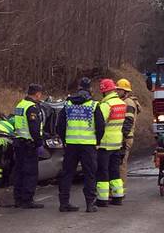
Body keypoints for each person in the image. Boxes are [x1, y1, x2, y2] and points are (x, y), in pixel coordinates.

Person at [57, 77, 101, 213]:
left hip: (71, 144)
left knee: (67, 173)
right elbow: (100, 126)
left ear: (79, 88)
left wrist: (65, 139)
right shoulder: (93, 105)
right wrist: (97, 141)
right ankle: (90, 204)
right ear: (90, 89)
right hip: (88, 145)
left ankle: (64, 203)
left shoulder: (68, 104)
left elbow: (60, 125)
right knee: (90, 174)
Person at [11, 84, 47, 209]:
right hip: (29, 145)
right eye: (40, 94)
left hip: (19, 143)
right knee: (30, 173)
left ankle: (18, 199)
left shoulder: (20, 104)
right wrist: (39, 143)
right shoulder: (32, 108)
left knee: (19, 171)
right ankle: (27, 200)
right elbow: (34, 128)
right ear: (37, 94)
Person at [96, 79, 127, 207]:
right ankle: (117, 197)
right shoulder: (121, 103)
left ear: (104, 91)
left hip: (105, 143)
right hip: (117, 142)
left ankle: (102, 200)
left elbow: (99, 123)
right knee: (115, 171)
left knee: (103, 171)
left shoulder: (106, 105)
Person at [116, 78, 141, 185]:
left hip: (125, 138)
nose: (117, 92)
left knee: (121, 165)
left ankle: (120, 191)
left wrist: (122, 138)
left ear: (125, 91)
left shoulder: (128, 103)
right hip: (125, 137)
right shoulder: (126, 101)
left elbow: (128, 122)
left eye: (119, 90)